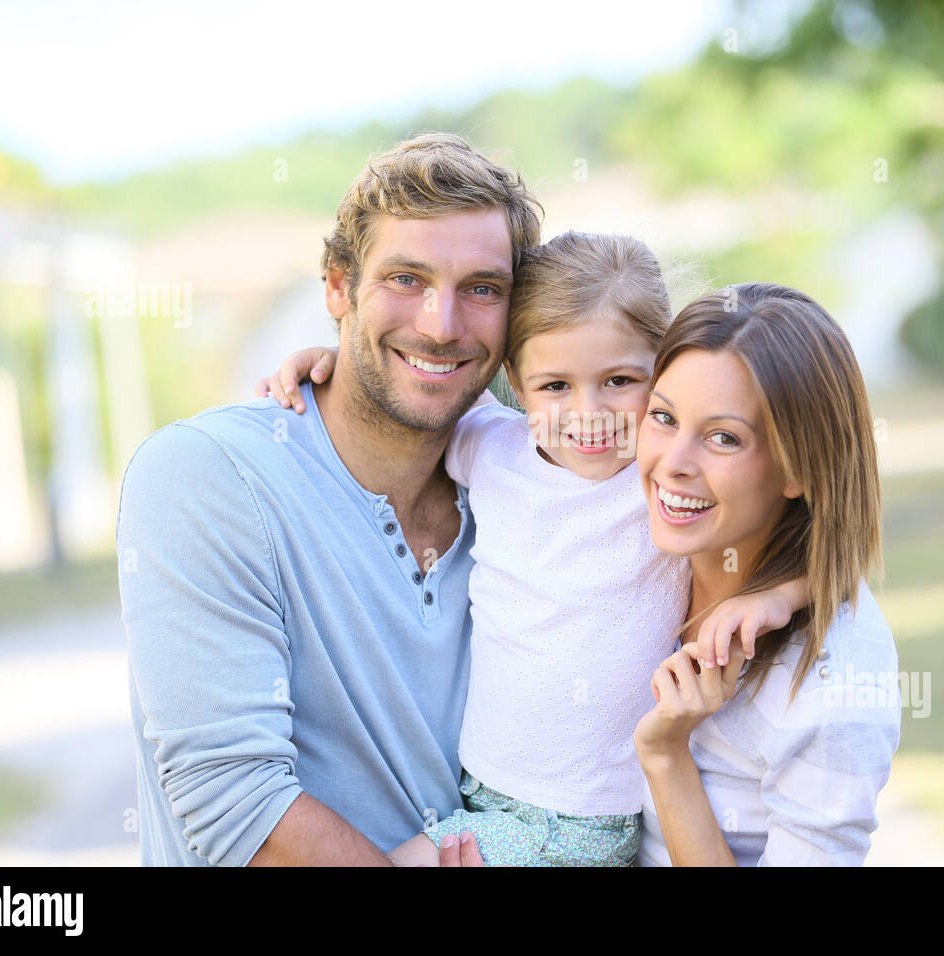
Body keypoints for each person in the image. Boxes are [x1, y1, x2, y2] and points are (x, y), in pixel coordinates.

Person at [263, 232, 810, 866]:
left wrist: (780, 593)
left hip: (576, 821)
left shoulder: (662, 485)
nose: (589, 413)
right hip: (480, 795)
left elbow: (826, 542)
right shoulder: (490, 446)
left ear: (665, 373)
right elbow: (398, 408)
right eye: (555, 386)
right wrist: (329, 367)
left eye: (620, 380)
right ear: (515, 384)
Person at [116, 132, 543, 866]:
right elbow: (238, 811)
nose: (442, 326)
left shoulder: (536, 482)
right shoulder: (207, 476)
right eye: (405, 279)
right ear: (338, 288)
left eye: (482, 288)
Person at [631, 283, 901, 865]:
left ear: (799, 467)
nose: (671, 464)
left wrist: (667, 756)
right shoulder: (637, 535)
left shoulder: (832, 683)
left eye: (724, 438)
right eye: (663, 416)